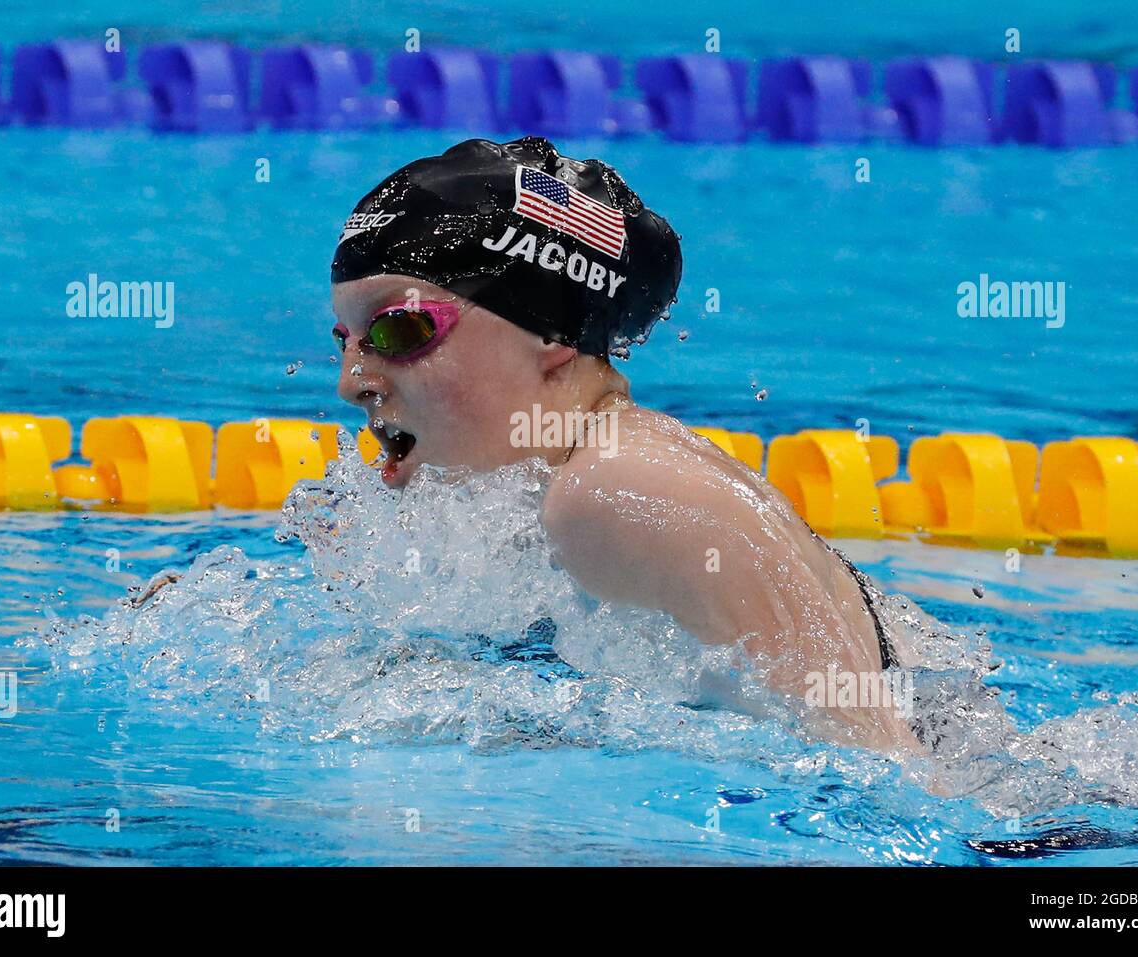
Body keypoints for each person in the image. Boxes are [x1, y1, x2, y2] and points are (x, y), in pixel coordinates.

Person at [330, 136, 919, 751]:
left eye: (401, 329)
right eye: (344, 339)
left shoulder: (617, 486)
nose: (352, 383)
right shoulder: (577, 478)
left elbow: (880, 774)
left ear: (552, 329)